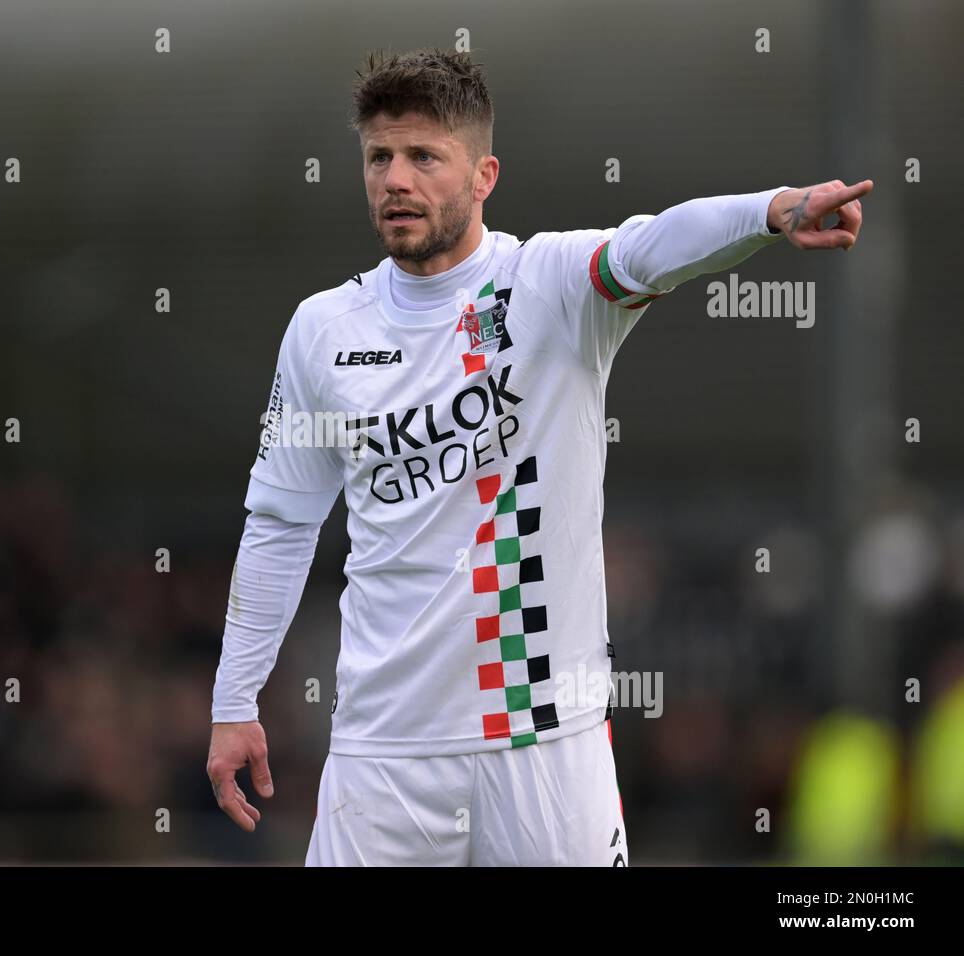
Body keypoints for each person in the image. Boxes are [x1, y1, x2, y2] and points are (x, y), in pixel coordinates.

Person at [207, 47, 870, 866]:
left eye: (423, 157)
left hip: (544, 739)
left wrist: (773, 210)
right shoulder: (322, 331)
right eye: (379, 157)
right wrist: (234, 700)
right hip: (383, 751)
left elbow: (658, 242)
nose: (395, 179)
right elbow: (280, 523)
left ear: (484, 175)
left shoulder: (549, 286)